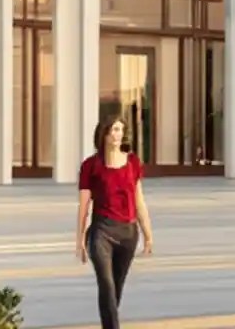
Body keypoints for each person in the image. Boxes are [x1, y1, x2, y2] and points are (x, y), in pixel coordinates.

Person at [77, 116, 154, 329]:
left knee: (115, 290)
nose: (116, 134)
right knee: (107, 286)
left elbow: (139, 200)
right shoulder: (90, 166)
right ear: (103, 134)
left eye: (119, 129)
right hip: (101, 232)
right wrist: (79, 240)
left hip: (128, 233)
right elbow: (83, 206)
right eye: (111, 130)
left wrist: (148, 233)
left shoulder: (133, 163)